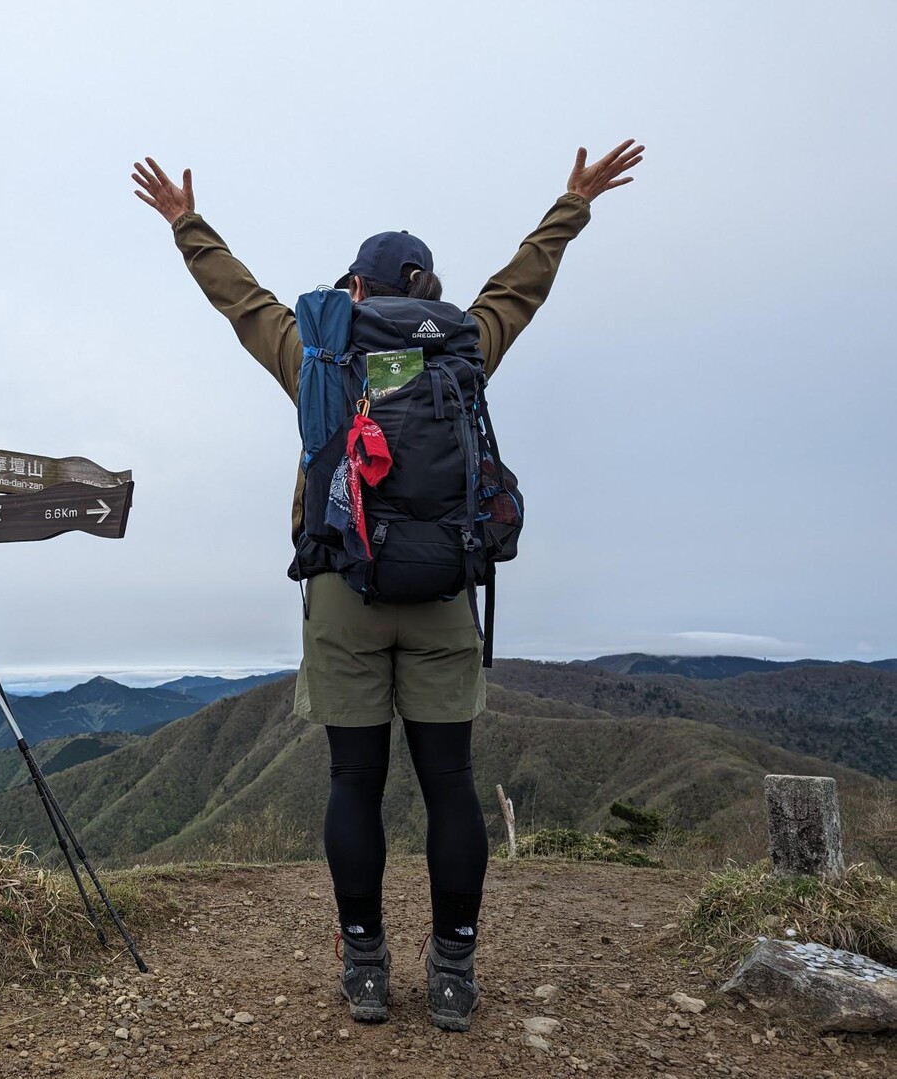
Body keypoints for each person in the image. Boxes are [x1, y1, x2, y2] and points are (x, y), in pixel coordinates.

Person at [132, 141, 644, 1030]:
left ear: (357, 288)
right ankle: (453, 971)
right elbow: (519, 288)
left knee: (353, 780)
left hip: (346, 585)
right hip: (445, 586)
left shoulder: (324, 356)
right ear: (429, 289)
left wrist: (187, 224)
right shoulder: (463, 346)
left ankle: (365, 963)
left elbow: (244, 303)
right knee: (450, 782)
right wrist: (571, 206)